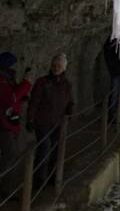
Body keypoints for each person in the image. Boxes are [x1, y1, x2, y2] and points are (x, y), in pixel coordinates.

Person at [27, 52, 74, 188]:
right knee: (44, 147)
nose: (56, 68)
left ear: (64, 68)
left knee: (55, 149)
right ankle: (38, 178)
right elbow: (34, 102)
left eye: (59, 66)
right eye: (54, 65)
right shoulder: (42, 82)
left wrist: (69, 113)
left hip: (58, 122)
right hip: (42, 121)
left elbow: (70, 101)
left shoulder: (66, 84)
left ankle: (53, 175)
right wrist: (30, 119)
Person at [0, 51, 32, 195]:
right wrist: (26, 83)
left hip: (8, 122)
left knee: (10, 155)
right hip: (4, 124)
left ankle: (8, 188)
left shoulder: (7, 78)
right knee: (10, 156)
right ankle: (7, 190)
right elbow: (10, 98)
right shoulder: (2, 80)